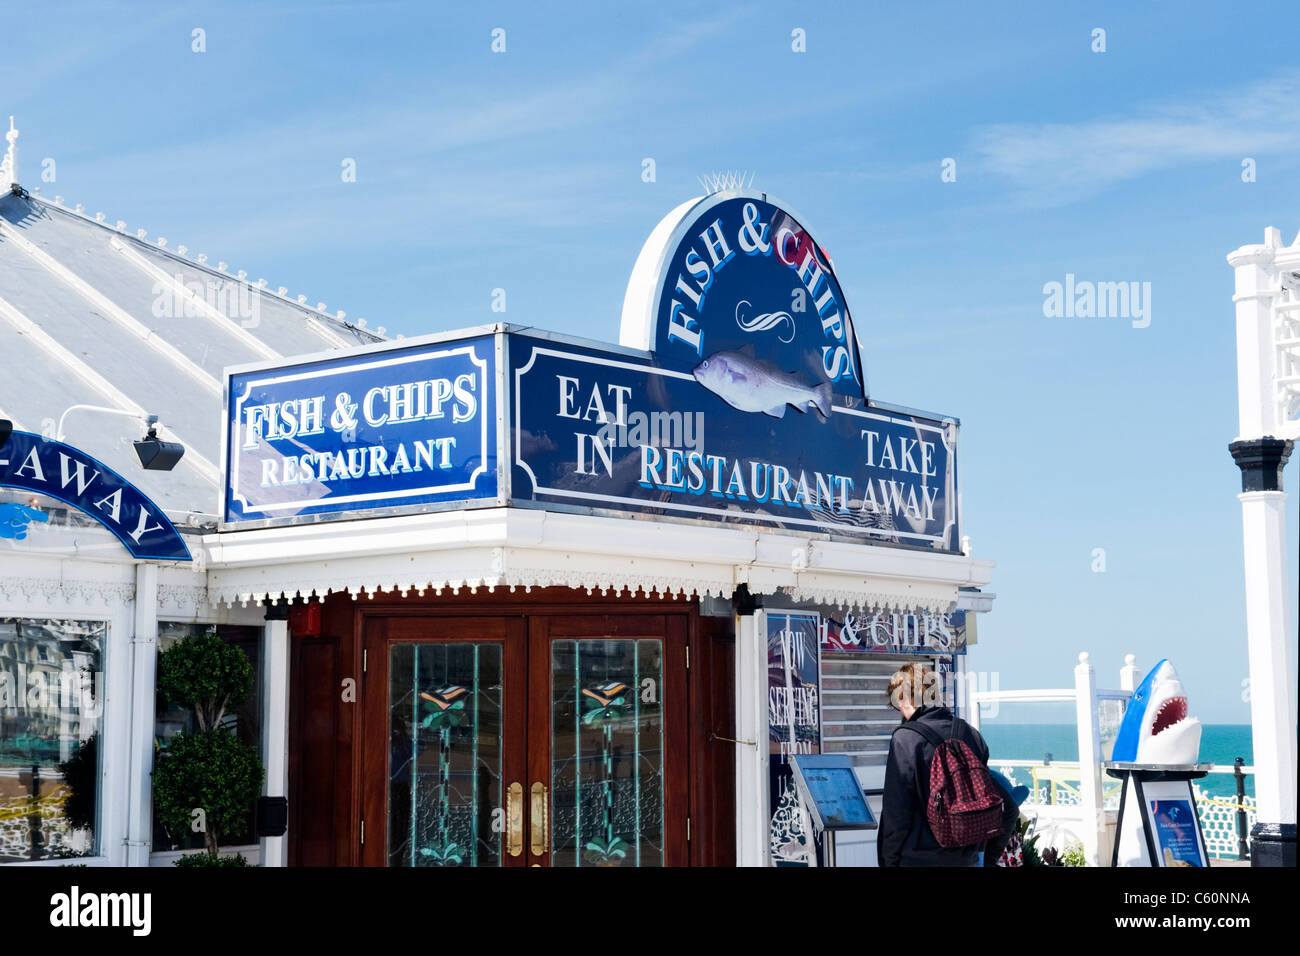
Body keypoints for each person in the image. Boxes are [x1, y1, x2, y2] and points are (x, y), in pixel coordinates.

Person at [877, 661, 996, 866]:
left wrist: (888, 861)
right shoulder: (971, 735)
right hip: (965, 857)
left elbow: (896, 812)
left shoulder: (906, 739)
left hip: (918, 858)